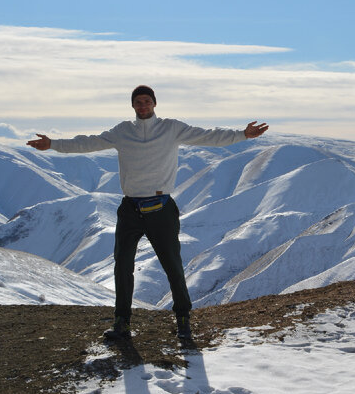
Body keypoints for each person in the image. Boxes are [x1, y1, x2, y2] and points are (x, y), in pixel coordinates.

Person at [27, 85, 268, 344]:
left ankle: (183, 319)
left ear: (154, 104)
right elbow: (88, 142)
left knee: (172, 266)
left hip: (161, 208)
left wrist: (242, 134)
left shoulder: (171, 128)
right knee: (122, 266)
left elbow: (207, 136)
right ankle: (121, 323)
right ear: (133, 106)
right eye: (138, 102)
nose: (142, 106)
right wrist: (53, 144)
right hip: (130, 208)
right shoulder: (122, 132)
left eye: (146, 101)